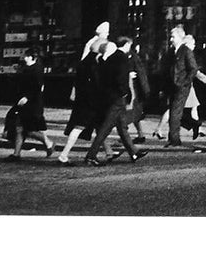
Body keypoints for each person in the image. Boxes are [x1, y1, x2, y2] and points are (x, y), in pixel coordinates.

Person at [84, 35, 145, 166]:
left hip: (110, 97)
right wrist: (125, 93)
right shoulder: (122, 59)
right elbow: (121, 80)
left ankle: (133, 152)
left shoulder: (107, 60)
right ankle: (91, 155)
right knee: (106, 128)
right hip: (118, 98)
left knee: (122, 126)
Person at [57, 24, 110, 164]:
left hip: (84, 99)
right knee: (81, 127)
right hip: (90, 101)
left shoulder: (84, 62)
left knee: (99, 126)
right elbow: (97, 83)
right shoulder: (95, 64)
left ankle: (107, 152)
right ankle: (64, 154)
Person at [8, 48, 55, 159]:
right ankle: (16, 153)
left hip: (32, 104)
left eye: (26, 56)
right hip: (23, 102)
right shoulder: (26, 69)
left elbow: (38, 87)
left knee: (29, 130)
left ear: (31, 57)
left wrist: (27, 97)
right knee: (20, 128)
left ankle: (48, 142)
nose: (24, 58)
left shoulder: (37, 70)